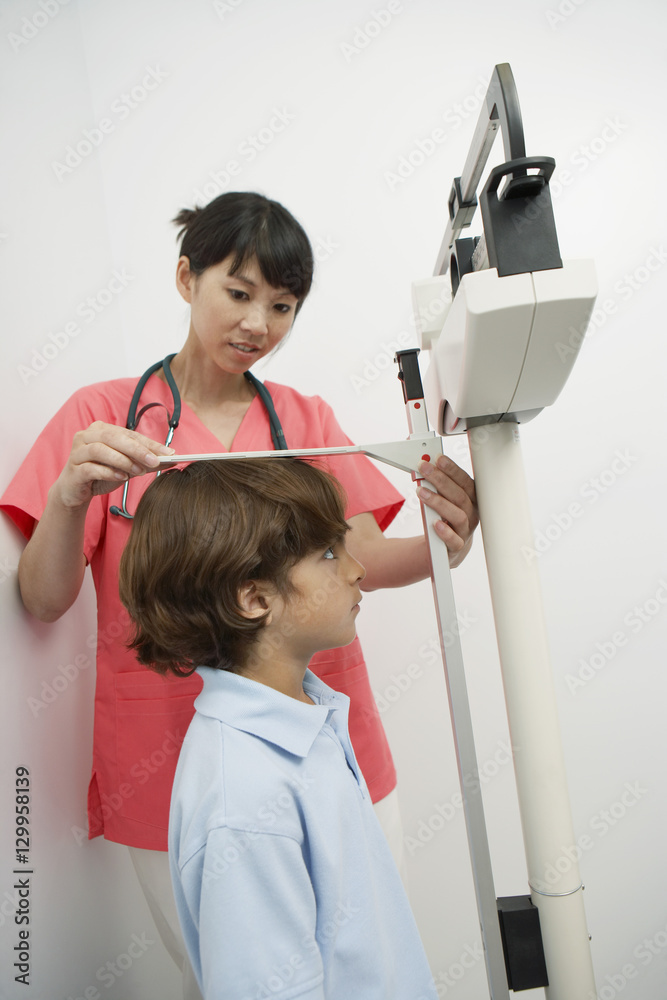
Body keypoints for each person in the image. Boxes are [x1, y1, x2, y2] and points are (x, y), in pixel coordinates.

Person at [0, 191, 477, 998]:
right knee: (226, 975)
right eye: (239, 291)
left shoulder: (302, 418)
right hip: (166, 753)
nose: (259, 322)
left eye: (282, 305)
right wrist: (71, 495)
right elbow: (44, 600)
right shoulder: (104, 417)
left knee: (370, 961)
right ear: (187, 278)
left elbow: (363, 556)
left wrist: (449, 543)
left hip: (319, 736)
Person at [119, 455, 439, 1000]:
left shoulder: (306, 719)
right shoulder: (243, 800)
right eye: (330, 553)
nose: (356, 569)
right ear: (255, 599)